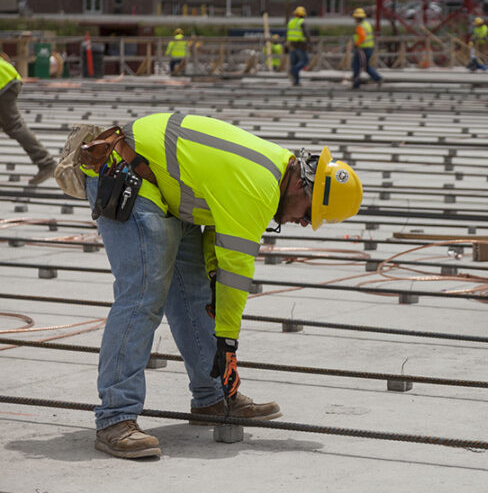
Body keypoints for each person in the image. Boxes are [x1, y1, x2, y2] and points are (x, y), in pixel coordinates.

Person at [76, 114, 363, 458]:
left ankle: (212, 397)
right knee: (143, 295)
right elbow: (236, 274)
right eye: (308, 214)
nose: (302, 222)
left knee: (195, 293)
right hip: (129, 173)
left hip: (167, 186)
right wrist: (227, 342)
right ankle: (115, 418)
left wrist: (212, 273)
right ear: (303, 186)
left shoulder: (272, 171)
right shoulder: (259, 189)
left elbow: (219, 229)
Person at [0, 56, 56, 185]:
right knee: (13, 126)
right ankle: (46, 163)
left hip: (3, 83)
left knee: (14, 126)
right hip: (7, 79)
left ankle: (47, 163)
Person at [351, 7, 382, 89]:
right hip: (368, 48)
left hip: (362, 49)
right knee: (364, 66)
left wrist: (356, 44)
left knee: (356, 65)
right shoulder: (367, 24)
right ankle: (377, 78)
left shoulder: (360, 26)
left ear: (358, 18)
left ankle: (356, 83)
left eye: (355, 18)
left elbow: (362, 36)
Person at [287, 6, 309, 86]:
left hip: (292, 45)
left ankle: (296, 81)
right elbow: (306, 33)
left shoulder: (291, 22)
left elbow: (288, 34)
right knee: (304, 61)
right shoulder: (302, 22)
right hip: (300, 45)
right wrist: (309, 43)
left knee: (295, 62)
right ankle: (293, 70)